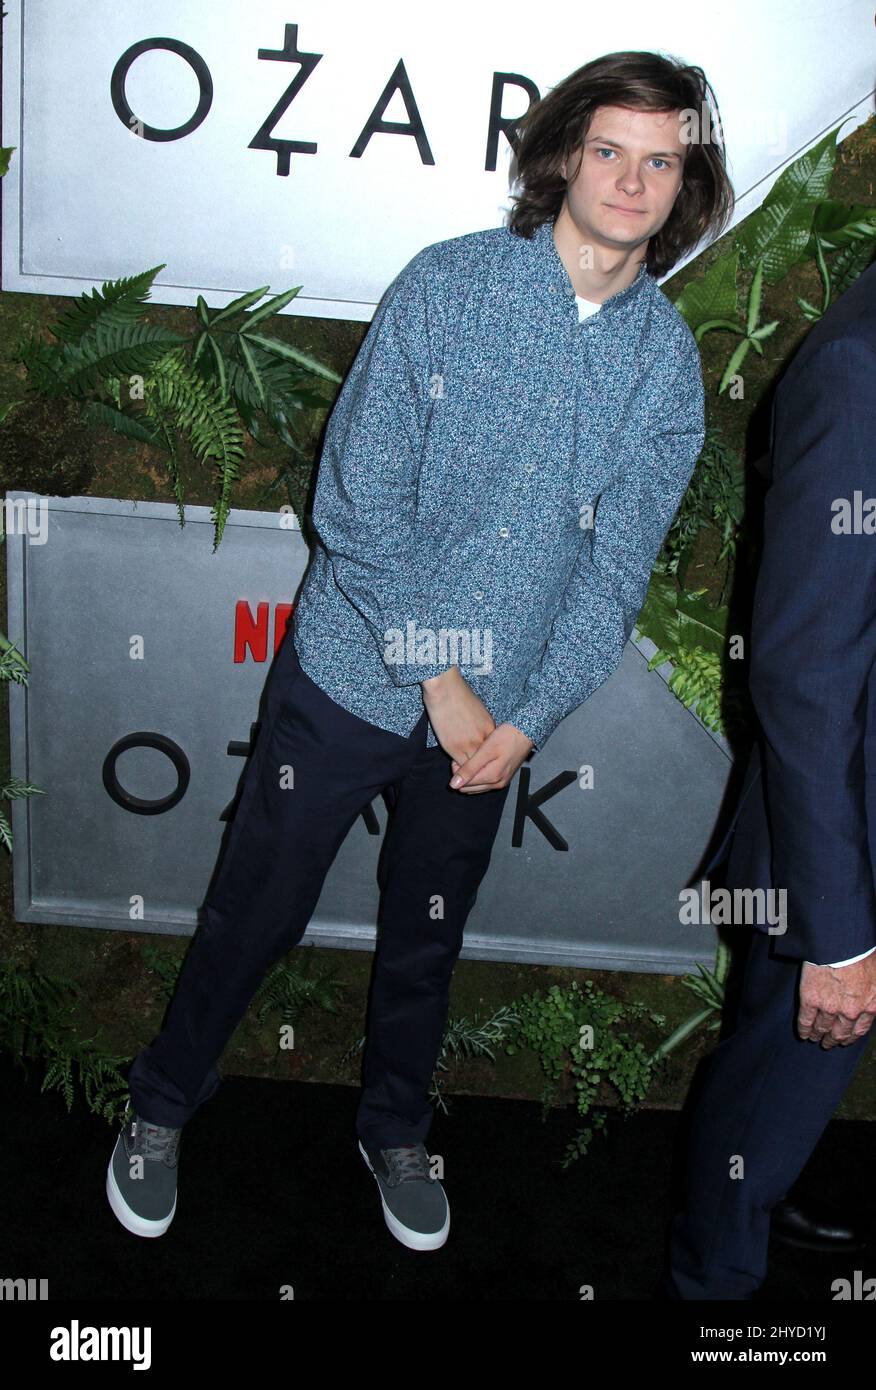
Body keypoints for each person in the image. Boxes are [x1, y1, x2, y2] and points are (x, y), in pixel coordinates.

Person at [107, 49, 731, 1253]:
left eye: (662, 161)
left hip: (496, 723)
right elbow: (354, 496)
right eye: (611, 149)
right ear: (563, 154)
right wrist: (441, 677)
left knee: (428, 930)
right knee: (256, 908)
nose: (631, 180)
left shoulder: (664, 372)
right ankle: (158, 1107)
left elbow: (613, 576)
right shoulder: (448, 286)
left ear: (684, 187)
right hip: (352, 676)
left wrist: (527, 719)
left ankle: (395, 1129)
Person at [660, 257, 876, 1300]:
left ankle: (751, 1187)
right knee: (776, 1078)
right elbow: (803, 673)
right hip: (839, 851)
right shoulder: (857, 368)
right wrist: (839, 933)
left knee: (778, 1090)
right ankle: (716, 1276)